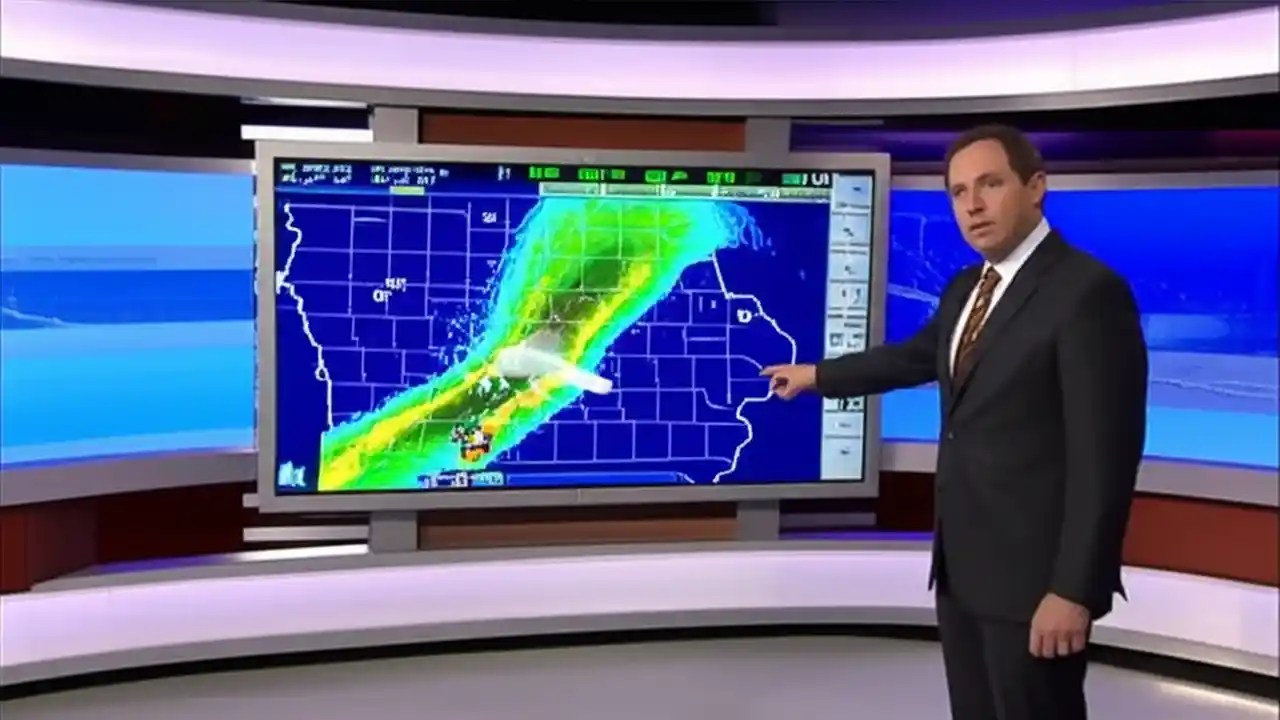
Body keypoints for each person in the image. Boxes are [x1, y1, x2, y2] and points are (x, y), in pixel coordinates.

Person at [762, 124, 1148, 720]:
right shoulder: (966, 288)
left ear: (1036, 187)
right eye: (959, 191)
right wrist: (816, 374)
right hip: (962, 575)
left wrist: (1074, 591)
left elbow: (1106, 461)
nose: (973, 205)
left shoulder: (1087, 293)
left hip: (1034, 585)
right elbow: (911, 358)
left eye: (990, 184)